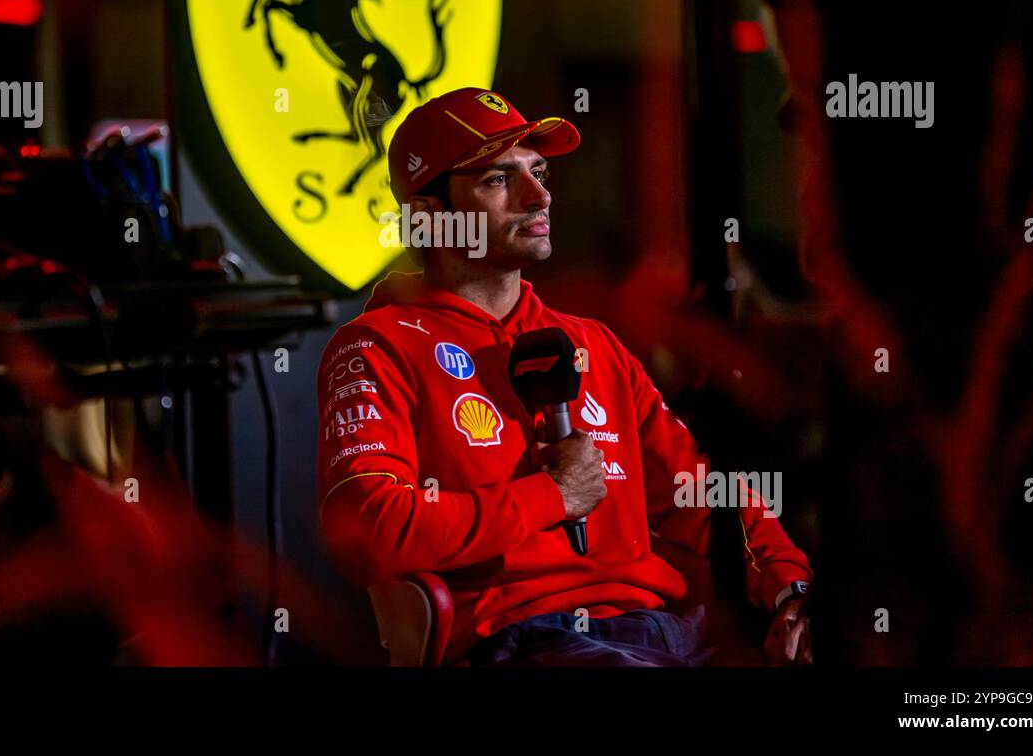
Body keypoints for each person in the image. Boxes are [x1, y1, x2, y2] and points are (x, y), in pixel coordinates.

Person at [316, 87, 814, 666]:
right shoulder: (378, 347)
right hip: (523, 642)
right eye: (497, 180)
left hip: (668, 635)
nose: (538, 197)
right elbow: (369, 533)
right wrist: (550, 496)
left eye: (539, 172)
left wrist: (790, 589)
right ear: (429, 216)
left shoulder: (593, 344)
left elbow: (704, 494)